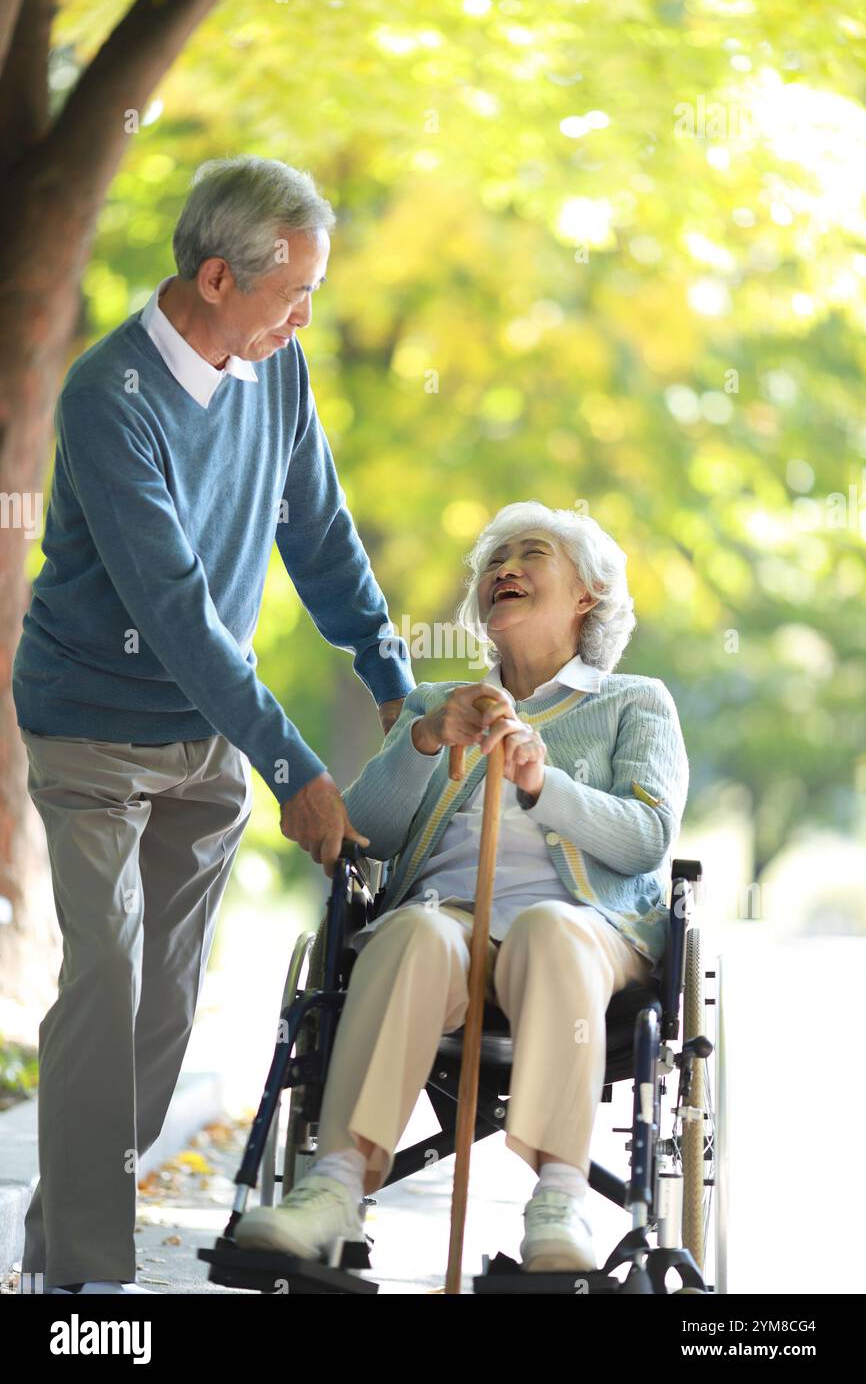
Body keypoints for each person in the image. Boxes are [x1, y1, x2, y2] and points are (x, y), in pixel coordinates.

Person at [12, 156, 413, 1295]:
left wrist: (389, 672)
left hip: (202, 735)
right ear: (214, 275)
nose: (305, 317)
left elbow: (320, 533)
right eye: (292, 294)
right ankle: (88, 1276)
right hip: (91, 726)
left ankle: (59, 1232)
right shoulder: (108, 397)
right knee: (104, 972)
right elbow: (179, 612)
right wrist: (294, 766)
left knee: (166, 1007)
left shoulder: (273, 375)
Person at [234, 499, 690, 1274]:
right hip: (445, 922)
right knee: (410, 929)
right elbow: (364, 834)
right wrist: (421, 739)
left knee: (550, 928)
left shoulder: (633, 703)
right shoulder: (434, 704)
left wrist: (547, 783)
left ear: (589, 595)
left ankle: (559, 1197)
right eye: (494, 561)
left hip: (585, 931)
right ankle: (335, 1187)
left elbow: (648, 838)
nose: (503, 568)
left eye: (532, 553)